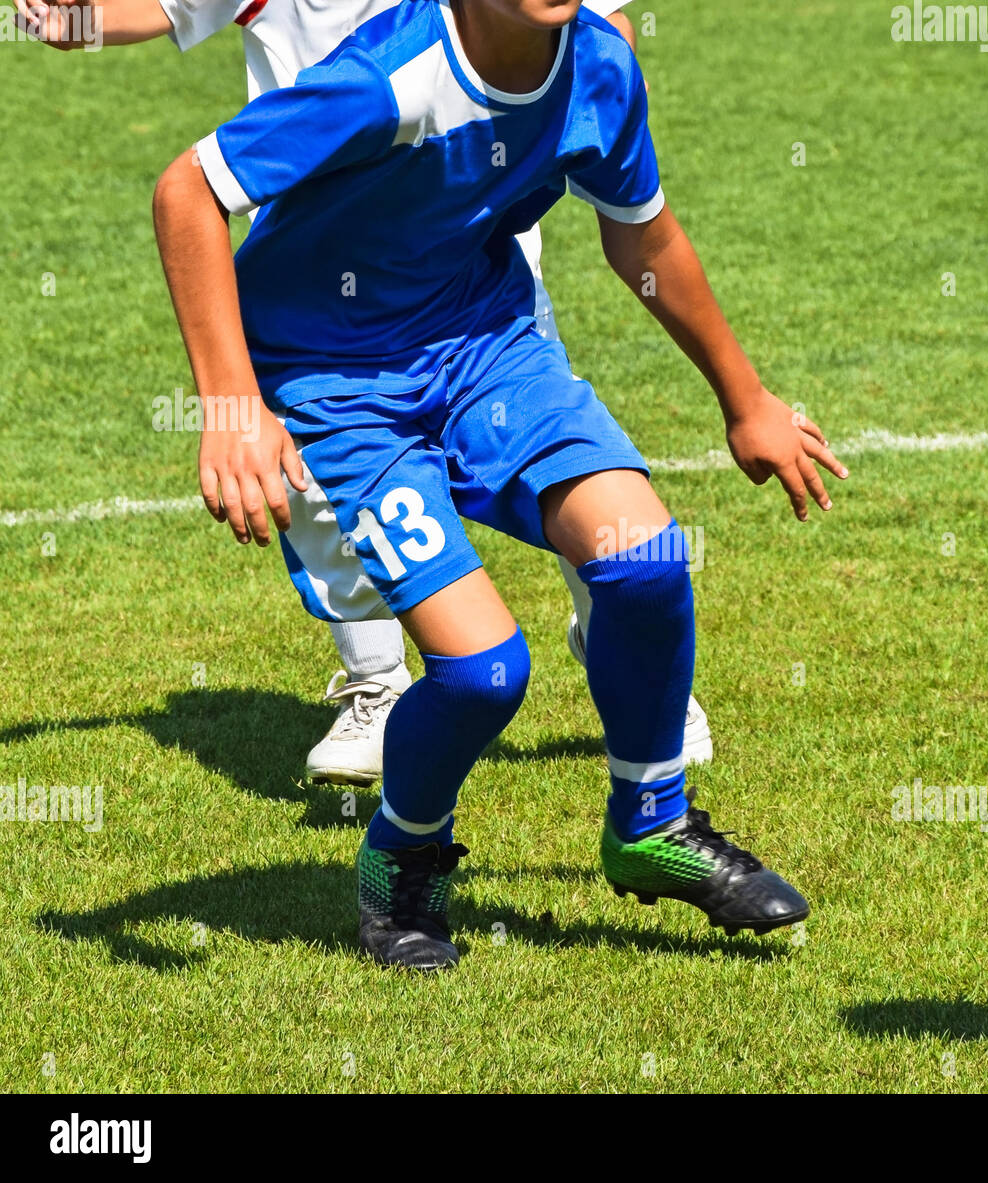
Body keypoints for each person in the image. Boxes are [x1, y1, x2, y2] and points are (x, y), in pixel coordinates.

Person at [151, 0, 847, 968]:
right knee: (484, 675)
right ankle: (402, 860)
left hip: (485, 351)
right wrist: (230, 406)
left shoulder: (598, 65)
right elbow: (188, 189)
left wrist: (747, 399)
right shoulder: (386, 76)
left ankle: (650, 824)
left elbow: (641, 237)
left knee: (645, 561)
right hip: (338, 380)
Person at [15, 0, 714, 783]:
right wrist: (64, 22)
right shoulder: (373, 72)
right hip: (328, 278)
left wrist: (591, 110)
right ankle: (378, 684)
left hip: (477, 258)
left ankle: (637, 665)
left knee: (564, 465)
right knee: (322, 498)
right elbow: (164, 12)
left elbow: (597, 31)